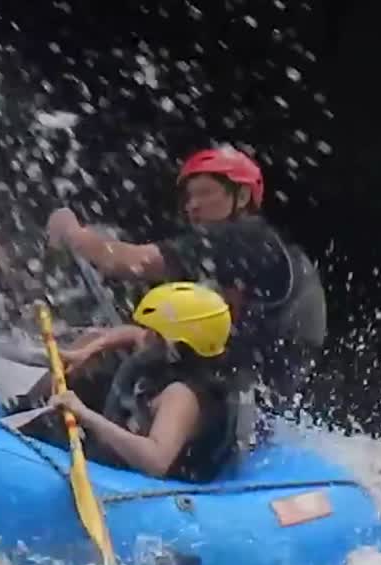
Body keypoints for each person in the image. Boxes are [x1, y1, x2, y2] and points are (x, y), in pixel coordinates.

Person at [47, 146, 327, 409]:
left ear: (241, 197)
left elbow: (129, 263)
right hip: (251, 399)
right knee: (106, 341)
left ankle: (32, 412)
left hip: (235, 398)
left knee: (112, 359)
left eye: (205, 193)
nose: (192, 205)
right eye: (190, 196)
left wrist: (72, 232)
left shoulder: (245, 239)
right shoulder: (253, 251)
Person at [49, 282, 239, 482]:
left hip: (156, 487)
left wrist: (84, 414)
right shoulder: (174, 356)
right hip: (126, 443)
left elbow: (156, 462)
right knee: (86, 380)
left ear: (177, 348)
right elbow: (132, 334)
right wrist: (88, 351)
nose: (144, 336)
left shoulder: (181, 396)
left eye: (154, 333)